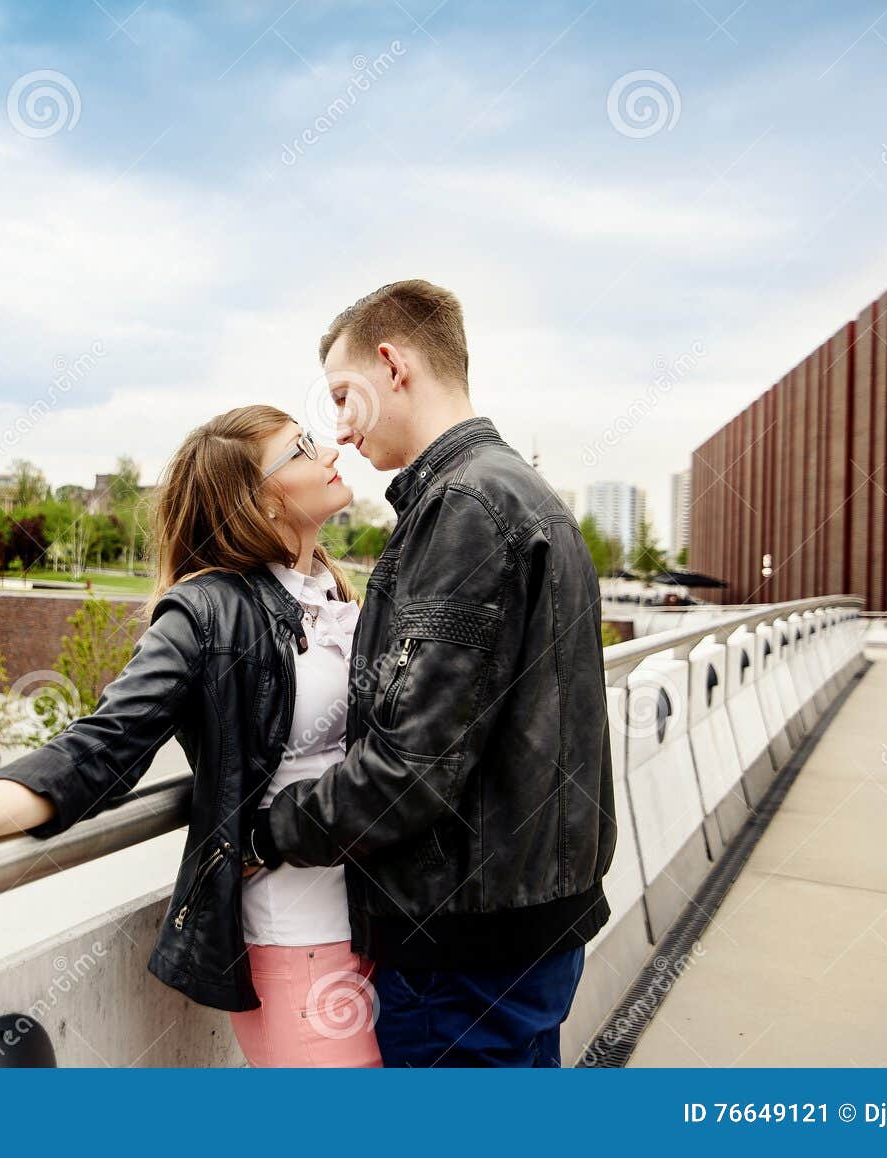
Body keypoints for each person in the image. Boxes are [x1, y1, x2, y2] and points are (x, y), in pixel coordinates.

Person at [0, 405, 382, 1067]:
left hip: (374, 922)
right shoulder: (208, 611)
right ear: (261, 500)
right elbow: (102, 743)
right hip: (299, 939)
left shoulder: (337, 593)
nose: (329, 449)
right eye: (300, 449)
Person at [241, 279, 617, 1067]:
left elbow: (412, 769)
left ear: (392, 364)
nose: (339, 428)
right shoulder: (519, 493)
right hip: (526, 926)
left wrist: (268, 829)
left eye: (344, 396)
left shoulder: (466, 509)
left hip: (466, 950)